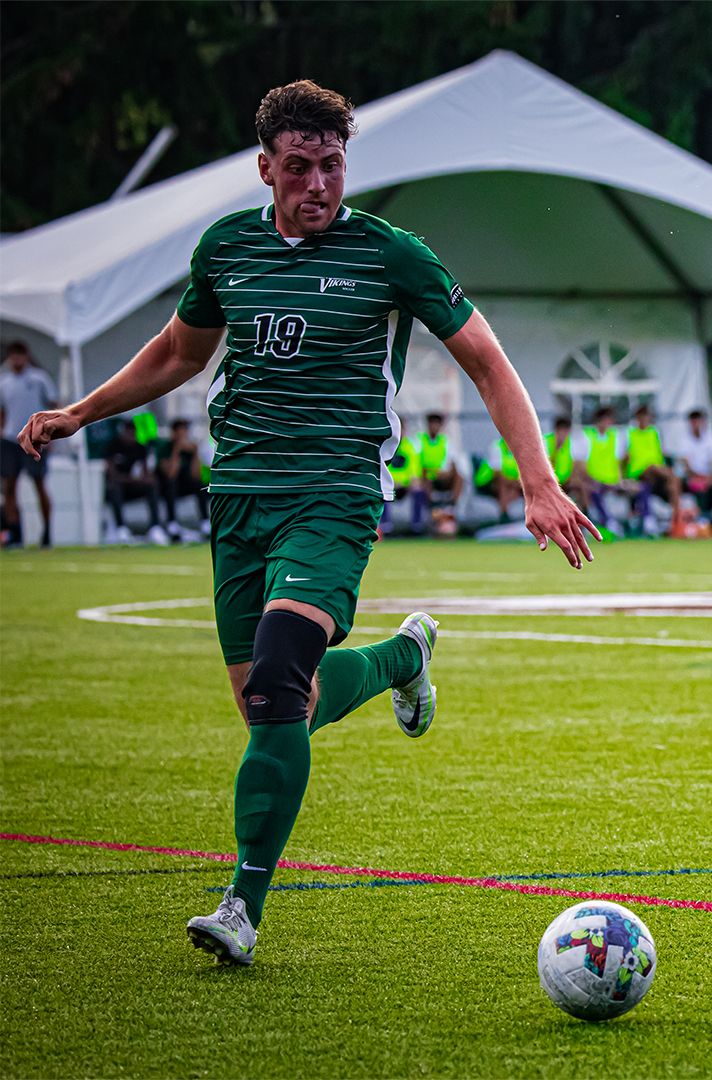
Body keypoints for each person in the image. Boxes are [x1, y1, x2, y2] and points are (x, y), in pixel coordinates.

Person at [16, 79, 596, 967]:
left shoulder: (391, 254)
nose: (318, 184)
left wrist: (539, 483)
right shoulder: (227, 250)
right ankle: (405, 657)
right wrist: (79, 413)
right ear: (265, 169)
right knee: (275, 710)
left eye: (331, 166)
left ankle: (241, 907)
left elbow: (486, 360)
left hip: (333, 497)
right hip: (238, 500)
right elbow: (179, 353)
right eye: (299, 167)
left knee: (282, 679)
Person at [0, 341, 61, 548]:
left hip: (34, 439)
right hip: (10, 439)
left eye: (20, 354)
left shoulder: (38, 378)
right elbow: (3, 412)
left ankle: (47, 533)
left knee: (39, 485)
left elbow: (54, 405)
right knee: (9, 487)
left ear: (26, 356)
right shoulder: (4, 382)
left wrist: (51, 434)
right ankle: (15, 532)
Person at [102, 419, 168, 545]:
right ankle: (120, 528)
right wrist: (131, 479)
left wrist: (144, 479)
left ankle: (155, 527)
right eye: (129, 431)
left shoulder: (139, 448)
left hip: (132, 485)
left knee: (152, 486)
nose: (132, 435)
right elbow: (112, 475)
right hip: (116, 488)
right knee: (114, 488)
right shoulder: (112, 446)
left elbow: (146, 473)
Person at [622, 403, 681, 536]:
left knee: (674, 482)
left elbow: (661, 455)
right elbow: (623, 460)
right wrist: (625, 479)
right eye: (642, 416)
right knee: (656, 469)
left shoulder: (654, 433)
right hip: (639, 473)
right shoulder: (630, 435)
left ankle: (676, 521)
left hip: (657, 476)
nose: (645, 419)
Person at [406, 412, 463, 533]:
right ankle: (431, 510)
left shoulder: (446, 442)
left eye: (437, 424)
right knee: (427, 477)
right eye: (432, 423)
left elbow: (453, 465)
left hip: (441, 477)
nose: (434, 427)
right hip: (426, 477)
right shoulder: (419, 440)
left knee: (459, 477)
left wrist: (444, 473)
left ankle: (451, 507)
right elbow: (416, 463)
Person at [156, 418, 211, 539]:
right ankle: (172, 523)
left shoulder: (190, 449)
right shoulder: (165, 447)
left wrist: (196, 452)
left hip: (185, 485)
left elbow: (196, 475)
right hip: (166, 488)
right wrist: (176, 449)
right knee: (171, 484)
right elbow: (171, 474)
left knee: (200, 485)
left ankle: (205, 522)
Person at [575, 406, 628, 530]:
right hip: (594, 481)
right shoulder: (587, 437)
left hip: (611, 482)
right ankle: (602, 522)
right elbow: (581, 466)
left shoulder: (615, 437)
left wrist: (621, 482)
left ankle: (640, 524)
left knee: (639, 489)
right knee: (592, 490)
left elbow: (618, 464)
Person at [676, 407, 712, 526]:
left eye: (698, 420)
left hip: (709, 477)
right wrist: (701, 476)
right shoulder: (684, 440)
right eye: (694, 420)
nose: (696, 423)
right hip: (693, 476)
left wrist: (710, 476)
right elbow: (686, 465)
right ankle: (700, 518)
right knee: (697, 484)